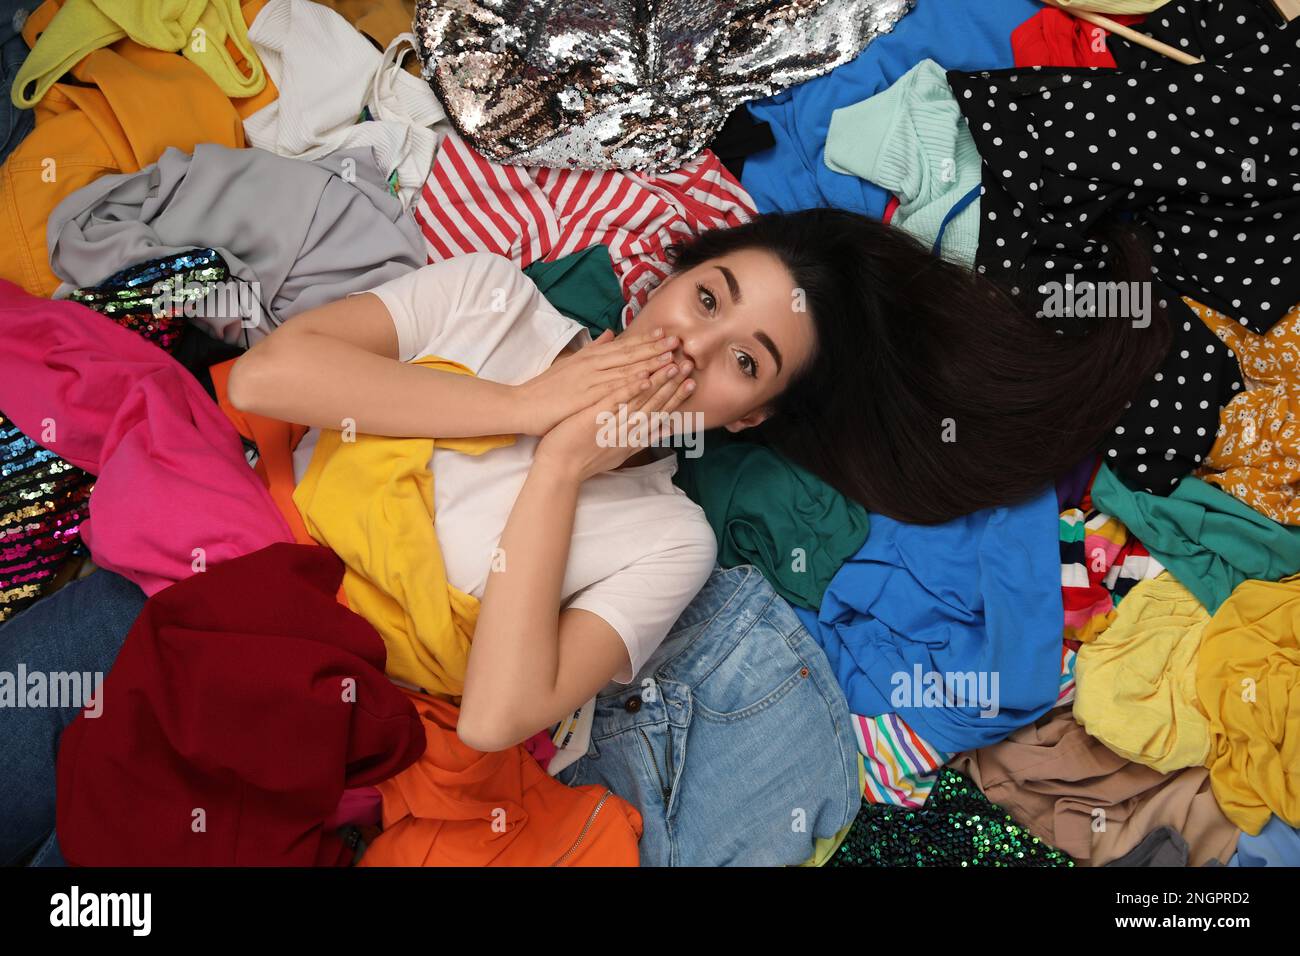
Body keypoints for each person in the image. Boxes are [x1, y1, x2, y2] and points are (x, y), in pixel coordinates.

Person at [1, 207, 1167, 862]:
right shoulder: (487, 300)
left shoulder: (666, 539)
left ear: (746, 412)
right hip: (175, 593)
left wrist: (560, 464)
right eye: (706, 302)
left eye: (742, 361)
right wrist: (522, 406)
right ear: (666, 280)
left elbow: (506, 708)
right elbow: (277, 371)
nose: (693, 350)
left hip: (301, 724)